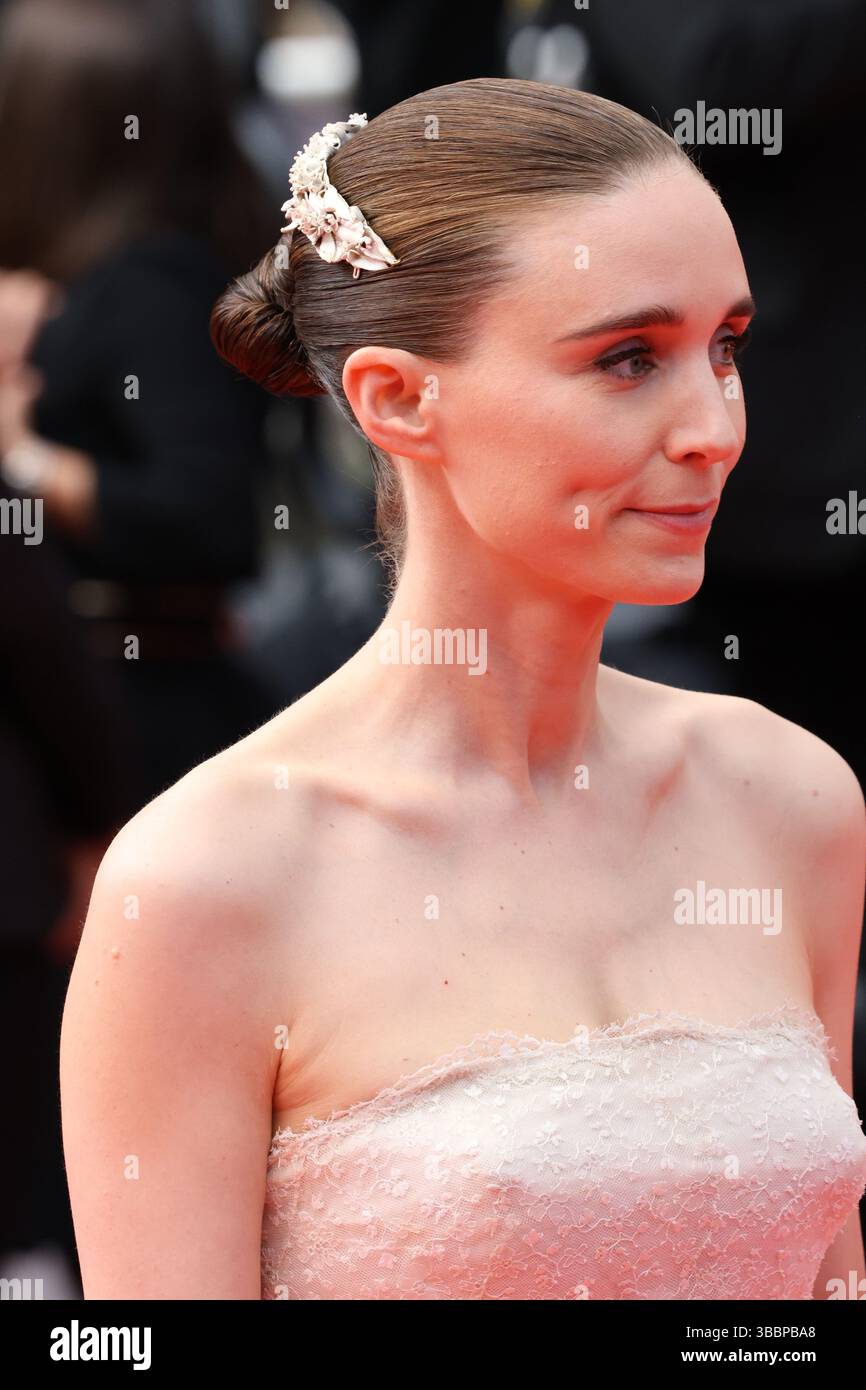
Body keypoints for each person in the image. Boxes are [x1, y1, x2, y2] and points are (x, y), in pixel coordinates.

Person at [60, 79, 866, 1301]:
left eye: (726, 347)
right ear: (395, 398)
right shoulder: (205, 880)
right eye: (627, 358)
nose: (713, 427)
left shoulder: (788, 794)